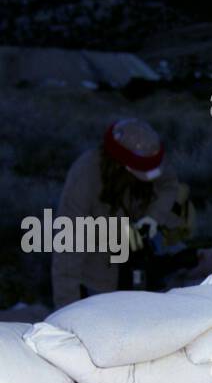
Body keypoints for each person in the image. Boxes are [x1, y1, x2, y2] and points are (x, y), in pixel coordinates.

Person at [52, 118, 196, 309]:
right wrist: (66, 312)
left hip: (141, 260)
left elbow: (168, 185)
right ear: (120, 164)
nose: (149, 176)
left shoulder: (151, 158)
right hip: (98, 274)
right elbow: (67, 249)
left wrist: (152, 218)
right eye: (142, 171)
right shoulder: (84, 177)